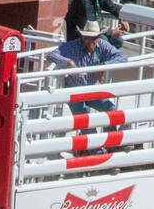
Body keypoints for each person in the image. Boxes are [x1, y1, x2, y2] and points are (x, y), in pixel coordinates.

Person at [46, 20, 127, 155]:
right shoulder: (72, 46)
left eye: (92, 38)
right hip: (75, 92)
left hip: (90, 89)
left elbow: (122, 57)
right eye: (87, 37)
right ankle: (97, 154)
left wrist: (103, 66)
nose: (89, 41)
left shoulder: (102, 45)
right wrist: (69, 62)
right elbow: (52, 55)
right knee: (85, 122)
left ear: (98, 38)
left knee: (111, 109)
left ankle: (111, 145)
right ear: (83, 37)